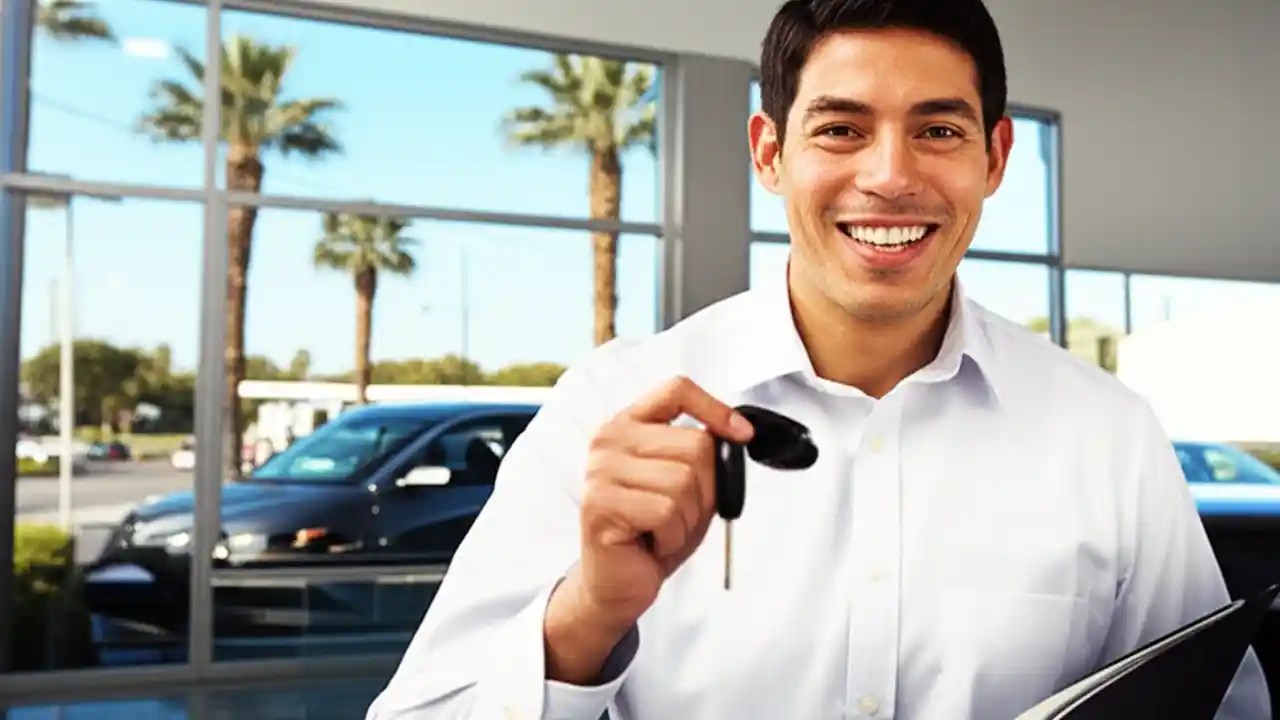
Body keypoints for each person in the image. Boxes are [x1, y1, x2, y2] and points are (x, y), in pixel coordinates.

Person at [366, 0, 1272, 717]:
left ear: (995, 158)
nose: (889, 175)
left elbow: (1218, 707)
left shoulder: (1108, 434)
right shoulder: (608, 407)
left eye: (940, 130)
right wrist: (587, 617)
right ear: (771, 153)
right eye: (841, 129)